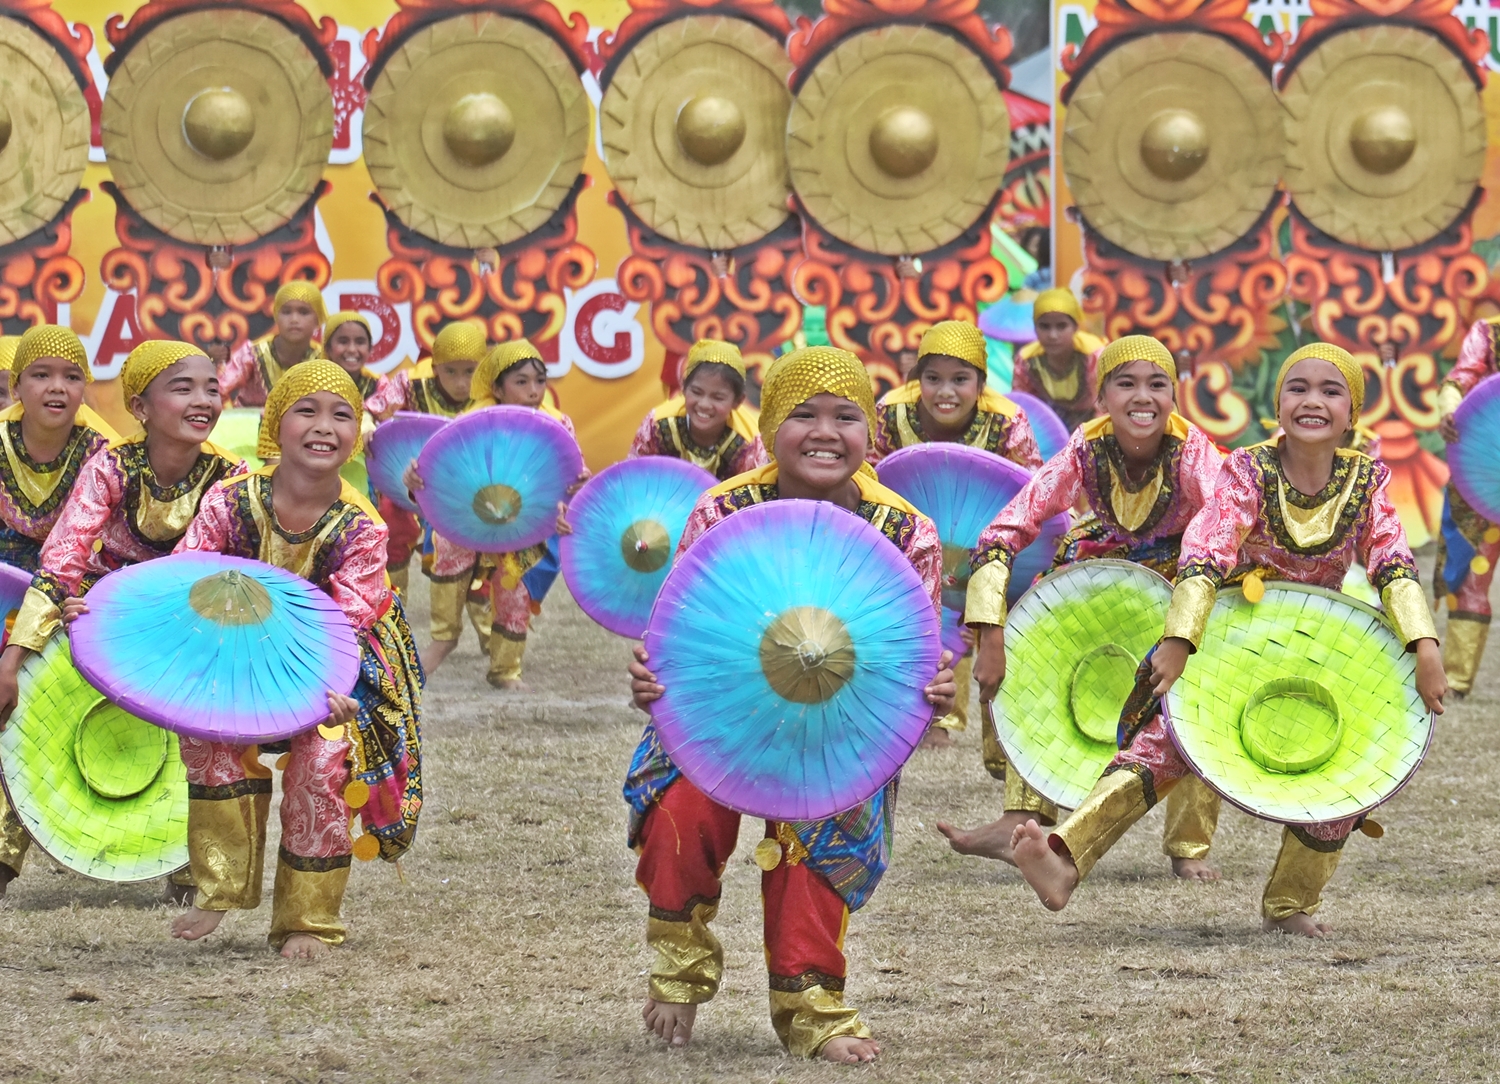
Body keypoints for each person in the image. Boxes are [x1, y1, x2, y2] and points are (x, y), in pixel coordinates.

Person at [1009, 343, 1447, 937]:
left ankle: (1291, 906)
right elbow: (1206, 551)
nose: (1311, 401)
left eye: (1330, 390)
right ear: (1277, 405)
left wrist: (1424, 645)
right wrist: (1181, 639)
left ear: (1353, 414)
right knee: (1161, 746)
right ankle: (1063, 860)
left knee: (1346, 768)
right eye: (1297, 388)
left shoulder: (1366, 482)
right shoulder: (1248, 470)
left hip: (1324, 645)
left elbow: (1393, 563)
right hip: (1237, 638)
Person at [623, 346, 957, 1063]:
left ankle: (811, 1007)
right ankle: (678, 974)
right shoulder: (724, 509)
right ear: (771, 425)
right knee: (680, 808)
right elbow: (678, 628)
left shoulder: (906, 533)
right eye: (803, 415)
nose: (825, 433)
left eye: (847, 417)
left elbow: (912, 658)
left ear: (871, 434)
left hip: (838, 719)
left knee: (822, 834)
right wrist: (650, 676)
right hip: (723, 707)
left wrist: (934, 692)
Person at [937, 335, 1225, 875]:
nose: (1142, 397)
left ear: (1174, 396)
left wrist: (1189, 620)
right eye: (1126, 383)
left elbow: (1227, 528)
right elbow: (1001, 533)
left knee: (1193, 688)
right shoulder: (1083, 449)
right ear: (1102, 397)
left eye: (1157, 384)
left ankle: (1189, 848)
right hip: (1101, 575)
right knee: (1035, 650)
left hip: (1185, 577)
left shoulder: (1195, 454)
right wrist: (992, 633)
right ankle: (1017, 820)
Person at [167, 361, 423, 959]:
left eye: (342, 415)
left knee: (322, 757)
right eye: (306, 411)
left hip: (336, 666)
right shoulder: (231, 501)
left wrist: (334, 687)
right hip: (235, 654)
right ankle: (221, 888)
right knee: (207, 741)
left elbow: (349, 622)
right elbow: (184, 578)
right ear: (275, 426)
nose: (324, 427)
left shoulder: (362, 528)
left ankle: (307, 920)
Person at [0, 340, 243, 904]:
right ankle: (3, 858)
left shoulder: (230, 480)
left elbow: (229, 575)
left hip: (183, 623)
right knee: (33, 709)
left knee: (202, 730)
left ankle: (189, 869)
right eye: (183, 388)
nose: (203, 399)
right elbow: (61, 561)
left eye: (211, 388)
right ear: (139, 406)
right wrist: (14, 659)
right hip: (97, 614)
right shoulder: (109, 467)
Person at [869, 320, 1042, 748]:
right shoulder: (890, 412)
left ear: (981, 384)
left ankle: (1000, 735)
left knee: (983, 623)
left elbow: (1034, 490)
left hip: (987, 543)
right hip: (905, 536)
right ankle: (916, 716)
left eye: (960, 380)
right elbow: (866, 474)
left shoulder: (1006, 420)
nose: (945, 392)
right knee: (911, 620)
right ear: (918, 380)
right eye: (933, 379)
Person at [0, 325, 115, 894]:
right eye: (41, 375)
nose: (57, 388)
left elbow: (104, 544)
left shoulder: (104, 454)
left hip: (68, 594)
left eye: (72, 377)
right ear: (16, 383)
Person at [408, 339, 585, 686]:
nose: (534, 391)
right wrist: (413, 478)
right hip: (473, 516)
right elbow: (438, 478)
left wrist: (575, 496)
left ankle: (505, 670)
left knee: (514, 585)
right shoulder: (472, 422)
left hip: (525, 523)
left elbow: (570, 479)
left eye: (539, 381)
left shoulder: (558, 425)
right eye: (521, 382)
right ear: (497, 389)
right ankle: (444, 638)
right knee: (447, 542)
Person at [369, 322, 482, 607]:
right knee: (391, 524)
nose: (461, 382)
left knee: (488, 553)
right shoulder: (410, 382)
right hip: (410, 485)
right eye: (451, 372)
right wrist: (366, 425)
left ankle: (485, 632)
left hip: (469, 491)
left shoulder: (492, 391)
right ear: (434, 367)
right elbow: (371, 410)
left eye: (470, 371)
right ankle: (394, 611)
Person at [1433, 315, 1499, 695]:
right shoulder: (1489, 333)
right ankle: (1456, 681)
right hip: (1483, 480)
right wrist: (1449, 411)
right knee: (1470, 580)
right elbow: (1457, 381)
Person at [627, 339, 765, 480]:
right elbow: (635, 475)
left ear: (737, 401)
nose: (704, 404)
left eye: (717, 397)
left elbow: (754, 494)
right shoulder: (658, 424)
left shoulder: (749, 442)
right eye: (697, 392)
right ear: (684, 388)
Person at [1011, 288, 1107, 433]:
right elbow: (1022, 406)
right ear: (1035, 328)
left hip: (1096, 422)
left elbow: (1106, 406)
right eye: (1044, 326)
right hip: (1049, 423)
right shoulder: (1026, 359)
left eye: (1061, 326)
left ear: (1075, 327)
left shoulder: (1095, 356)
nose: (1053, 335)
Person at [220, 281, 325, 407]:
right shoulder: (252, 355)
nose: (294, 320)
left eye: (303, 312)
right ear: (276, 316)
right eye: (286, 312)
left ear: (318, 319)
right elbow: (218, 389)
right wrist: (230, 418)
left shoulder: (323, 360)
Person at [319, 311, 392, 409]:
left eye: (360, 342)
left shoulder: (381, 387)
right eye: (343, 342)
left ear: (370, 349)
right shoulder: (312, 387)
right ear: (328, 348)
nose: (352, 349)